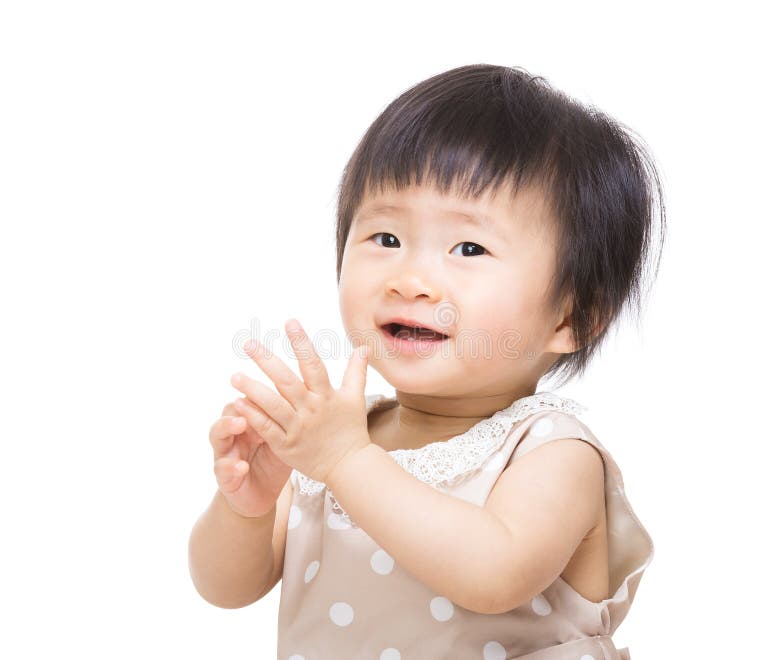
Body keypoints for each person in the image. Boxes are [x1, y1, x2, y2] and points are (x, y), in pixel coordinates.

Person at [189, 63, 666, 660]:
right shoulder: (337, 437)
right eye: (385, 239)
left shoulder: (552, 452)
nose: (410, 280)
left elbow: (492, 574)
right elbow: (224, 589)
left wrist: (345, 460)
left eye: (469, 247)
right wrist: (246, 510)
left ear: (573, 317)